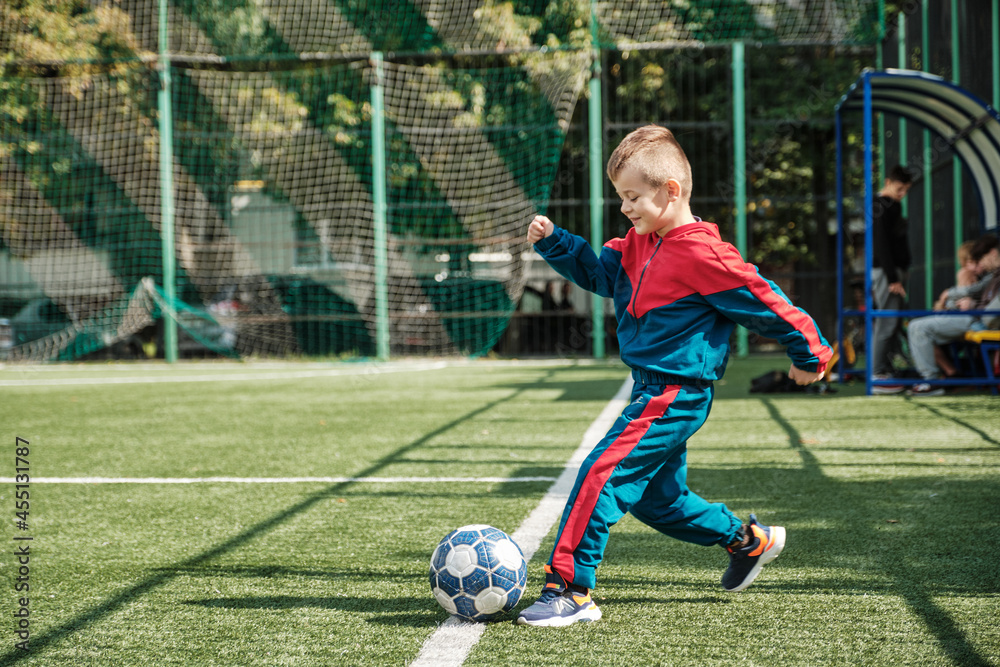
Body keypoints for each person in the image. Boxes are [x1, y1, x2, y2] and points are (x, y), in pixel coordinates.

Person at [517, 125, 832, 627]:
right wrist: (558, 243)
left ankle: (570, 589)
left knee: (601, 472)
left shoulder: (703, 253)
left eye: (633, 197)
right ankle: (747, 541)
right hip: (650, 388)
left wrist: (810, 352)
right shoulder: (636, 245)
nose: (626, 208)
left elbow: (764, 300)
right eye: (621, 197)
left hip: (674, 393)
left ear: (671, 191)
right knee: (659, 503)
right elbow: (601, 275)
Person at [905, 234, 1000, 396]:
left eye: (980, 259)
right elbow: (976, 296)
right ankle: (938, 377)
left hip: (977, 320)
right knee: (917, 325)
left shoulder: (993, 274)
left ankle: (931, 381)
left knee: (917, 327)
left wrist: (971, 305)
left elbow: (990, 312)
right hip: (975, 318)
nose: (980, 265)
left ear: (992, 253)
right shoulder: (993, 274)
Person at [870, 165, 915, 394]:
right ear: (888, 181)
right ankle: (877, 373)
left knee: (893, 321)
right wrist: (892, 278)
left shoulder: (893, 206)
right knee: (887, 321)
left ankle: (883, 369)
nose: (902, 193)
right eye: (900, 188)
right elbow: (881, 244)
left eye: (906, 189)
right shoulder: (880, 205)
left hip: (893, 271)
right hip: (888, 273)